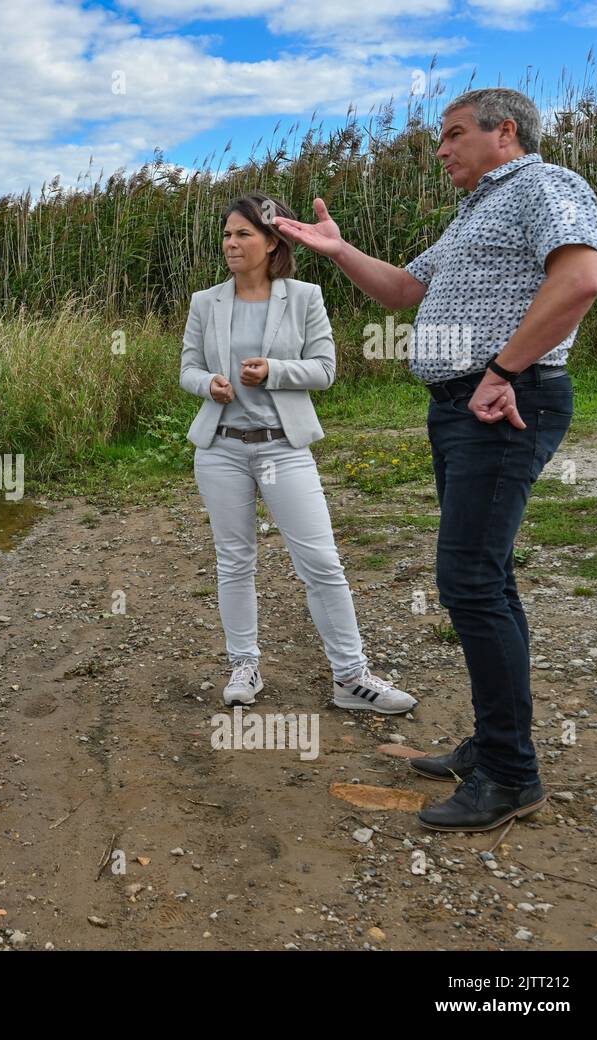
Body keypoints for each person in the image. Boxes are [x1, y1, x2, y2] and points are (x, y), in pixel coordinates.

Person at [273, 88, 597, 832]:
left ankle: (512, 775)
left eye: (454, 135)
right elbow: (402, 288)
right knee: (487, 578)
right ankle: (495, 744)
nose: (443, 149)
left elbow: (580, 278)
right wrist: (337, 249)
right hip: (461, 409)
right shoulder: (471, 216)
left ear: (505, 133)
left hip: (504, 404)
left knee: (467, 581)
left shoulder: (546, 186)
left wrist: (504, 370)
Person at [180, 191, 417, 716]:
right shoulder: (205, 302)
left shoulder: (305, 297)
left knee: (321, 562)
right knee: (234, 561)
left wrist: (275, 371)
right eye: (226, 234)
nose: (231, 243)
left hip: (283, 448)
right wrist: (209, 386)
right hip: (220, 449)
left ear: (271, 243)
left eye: (243, 234)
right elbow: (188, 369)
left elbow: (325, 370)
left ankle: (351, 678)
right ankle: (244, 665)